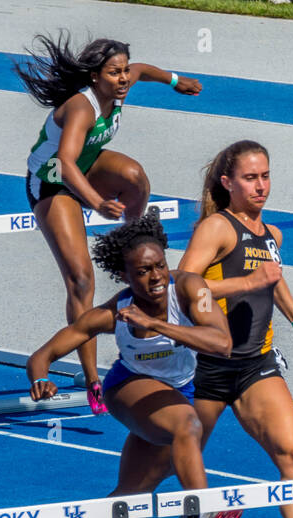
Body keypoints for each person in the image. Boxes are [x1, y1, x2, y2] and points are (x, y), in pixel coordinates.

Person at [26, 209, 237, 518]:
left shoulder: (190, 289)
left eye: (159, 265)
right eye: (142, 272)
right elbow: (41, 356)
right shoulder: (113, 313)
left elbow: (222, 343)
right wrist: (41, 380)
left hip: (180, 391)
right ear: (125, 275)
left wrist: (158, 325)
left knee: (127, 500)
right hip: (130, 389)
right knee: (188, 427)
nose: (155, 277)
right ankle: (207, 506)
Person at [177, 140, 293, 518]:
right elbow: (186, 283)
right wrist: (245, 282)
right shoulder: (216, 228)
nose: (261, 185)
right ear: (228, 183)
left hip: (255, 366)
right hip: (205, 367)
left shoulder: (272, 235)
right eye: (251, 177)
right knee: (163, 466)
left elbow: (274, 278)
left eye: (265, 175)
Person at [16, 33, 202, 415]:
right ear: (95, 76)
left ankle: (129, 249)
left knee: (135, 176)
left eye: (123, 72)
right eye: (113, 73)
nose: (122, 79)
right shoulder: (81, 109)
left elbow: (143, 70)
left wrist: (174, 81)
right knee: (82, 279)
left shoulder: (122, 82)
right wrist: (96, 201)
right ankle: (91, 378)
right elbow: (66, 164)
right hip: (53, 183)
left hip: (88, 166)